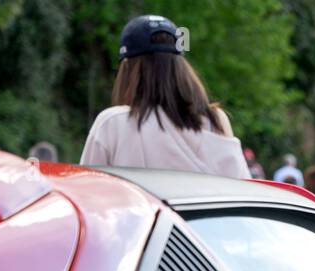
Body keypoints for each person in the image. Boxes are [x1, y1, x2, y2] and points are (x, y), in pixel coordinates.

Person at [79, 14, 247, 178]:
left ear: (127, 67)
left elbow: (86, 192)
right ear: (181, 67)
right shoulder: (215, 120)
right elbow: (240, 190)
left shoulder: (113, 123)